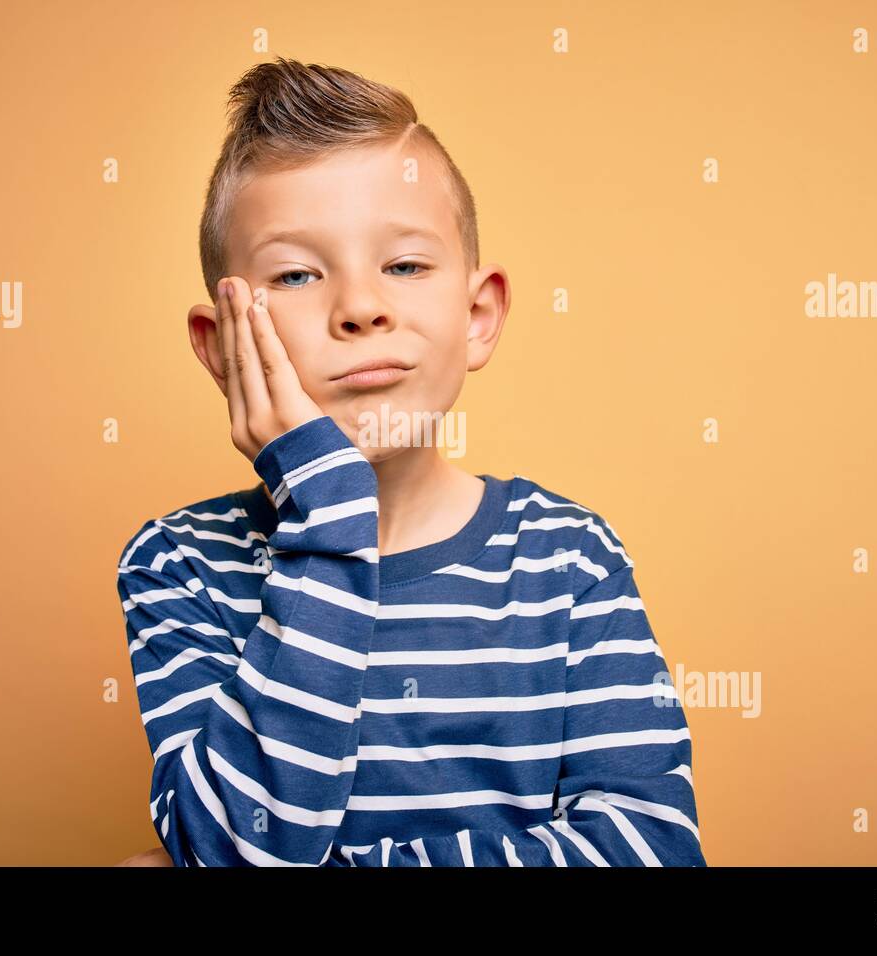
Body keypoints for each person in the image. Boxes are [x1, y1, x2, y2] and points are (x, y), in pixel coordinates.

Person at [115, 56, 705, 867]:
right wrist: (327, 507)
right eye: (295, 274)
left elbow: (651, 850)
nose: (361, 307)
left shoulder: (570, 558)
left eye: (404, 265)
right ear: (222, 348)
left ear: (478, 315)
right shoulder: (178, 565)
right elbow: (232, 847)